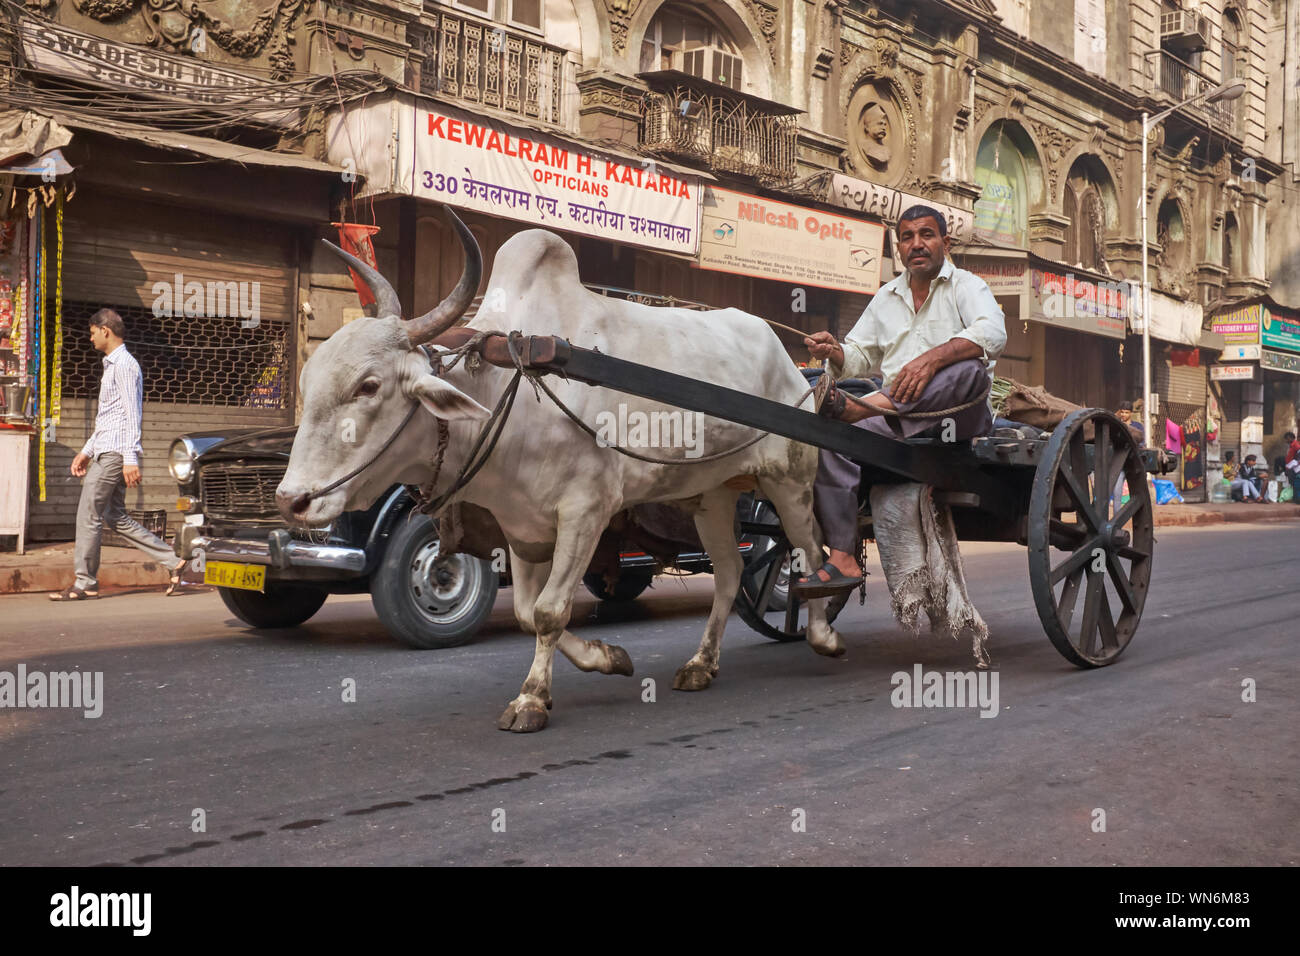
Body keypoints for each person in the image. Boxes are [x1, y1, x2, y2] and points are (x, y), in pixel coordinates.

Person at [797, 204, 1006, 596]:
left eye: (926, 235)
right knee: (833, 439)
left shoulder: (967, 286)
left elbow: (993, 334)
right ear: (898, 247)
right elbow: (859, 355)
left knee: (970, 370)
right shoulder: (886, 297)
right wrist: (835, 353)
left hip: (956, 419)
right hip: (897, 418)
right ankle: (842, 556)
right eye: (907, 237)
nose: (917, 244)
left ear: (945, 242)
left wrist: (931, 360)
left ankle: (865, 407)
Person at [49, 309, 187, 601]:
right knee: (115, 516)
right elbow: (109, 417)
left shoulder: (125, 365)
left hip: (114, 453)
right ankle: (173, 560)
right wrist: (86, 451)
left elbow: (131, 414)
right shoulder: (112, 365)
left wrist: (130, 458)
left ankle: (85, 582)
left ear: (105, 331)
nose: (90, 337)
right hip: (107, 448)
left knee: (89, 514)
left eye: (92, 332)